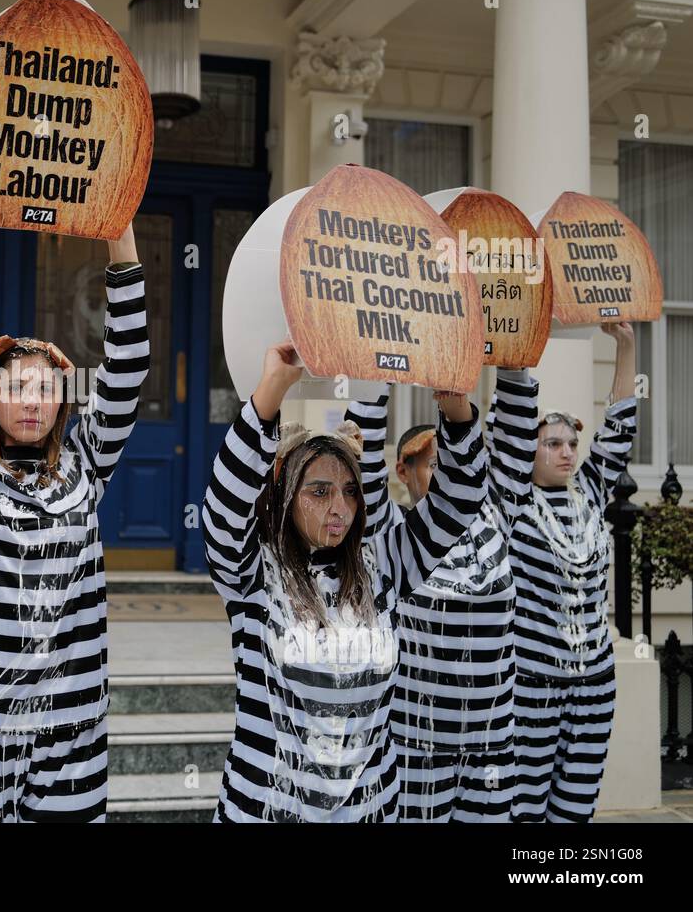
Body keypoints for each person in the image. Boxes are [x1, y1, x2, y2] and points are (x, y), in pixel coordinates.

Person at [0, 222, 146, 822]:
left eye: (45, 387)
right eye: (14, 386)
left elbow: (128, 367)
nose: (31, 399)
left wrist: (119, 237)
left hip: (70, 730)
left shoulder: (87, 465)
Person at [201, 338, 487, 821]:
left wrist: (456, 407)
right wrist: (272, 388)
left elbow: (458, 502)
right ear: (286, 498)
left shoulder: (384, 566)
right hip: (266, 808)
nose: (340, 507)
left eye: (351, 492)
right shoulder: (253, 574)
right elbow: (224, 508)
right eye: (319, 491)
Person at [344, 366, 539, 821]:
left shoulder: (495, 516)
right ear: (403, 471)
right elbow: (363, 459)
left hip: (491, 743)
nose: (446, 471)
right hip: (416, 745)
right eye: (433, 463)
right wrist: (373, 359)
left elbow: (514, 441)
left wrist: (513, 359)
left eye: (450, 459)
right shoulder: (389, 535)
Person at [508, 323, 637, 822]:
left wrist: (625, 346)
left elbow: (620, 426)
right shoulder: (514, 502)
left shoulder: (590, 492)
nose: (565, 452)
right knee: (525, 808)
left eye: (570, 443)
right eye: (551, 443)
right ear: (529, 451)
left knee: (577, 806)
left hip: (594, 682)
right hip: (533, 683)